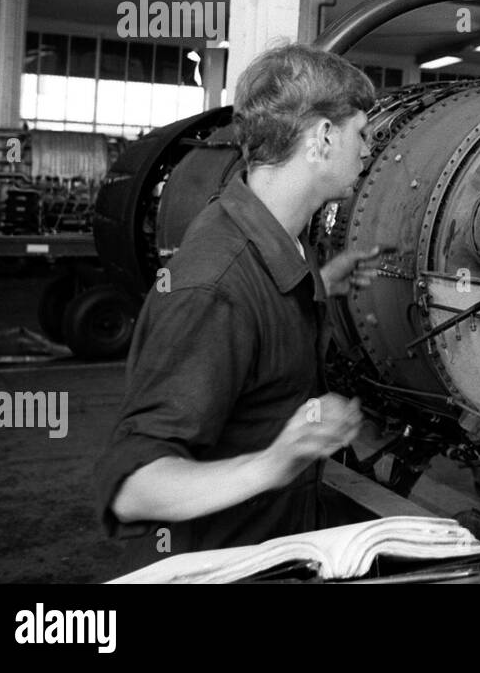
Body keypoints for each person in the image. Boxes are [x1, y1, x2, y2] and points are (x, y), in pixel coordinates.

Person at [93, 44, 386, 573]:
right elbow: (133, 486)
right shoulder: (216, 288)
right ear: (322, 137)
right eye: (361, 133)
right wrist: (273, 464)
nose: (368, 150)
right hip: (216, 566)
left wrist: (322, 281)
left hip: (272, 548)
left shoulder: (273, 242)